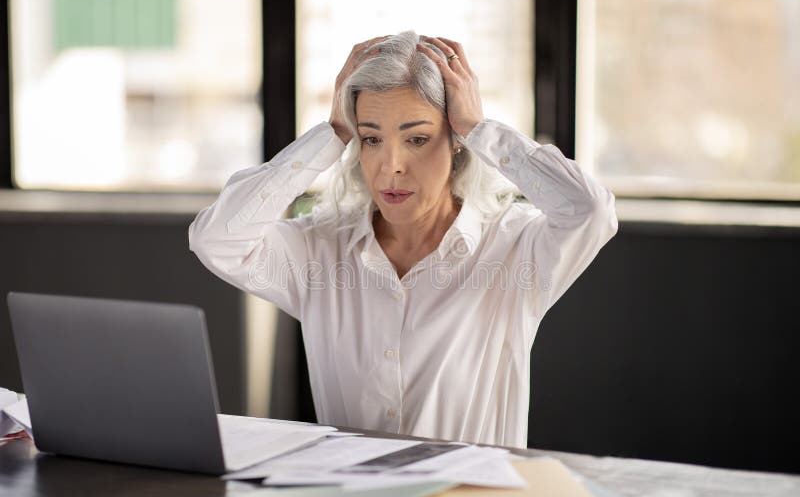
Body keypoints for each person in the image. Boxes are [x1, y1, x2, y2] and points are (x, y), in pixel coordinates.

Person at [188, 31, 618, 448]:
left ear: (457, 142)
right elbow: (216, 240)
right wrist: (331, 134)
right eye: (372, 139)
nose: (391, 165)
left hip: (472, 496)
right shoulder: (318, 249)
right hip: (352, 495)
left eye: (416, 139)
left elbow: (591, 211)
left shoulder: (513, 248)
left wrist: (480, 128)